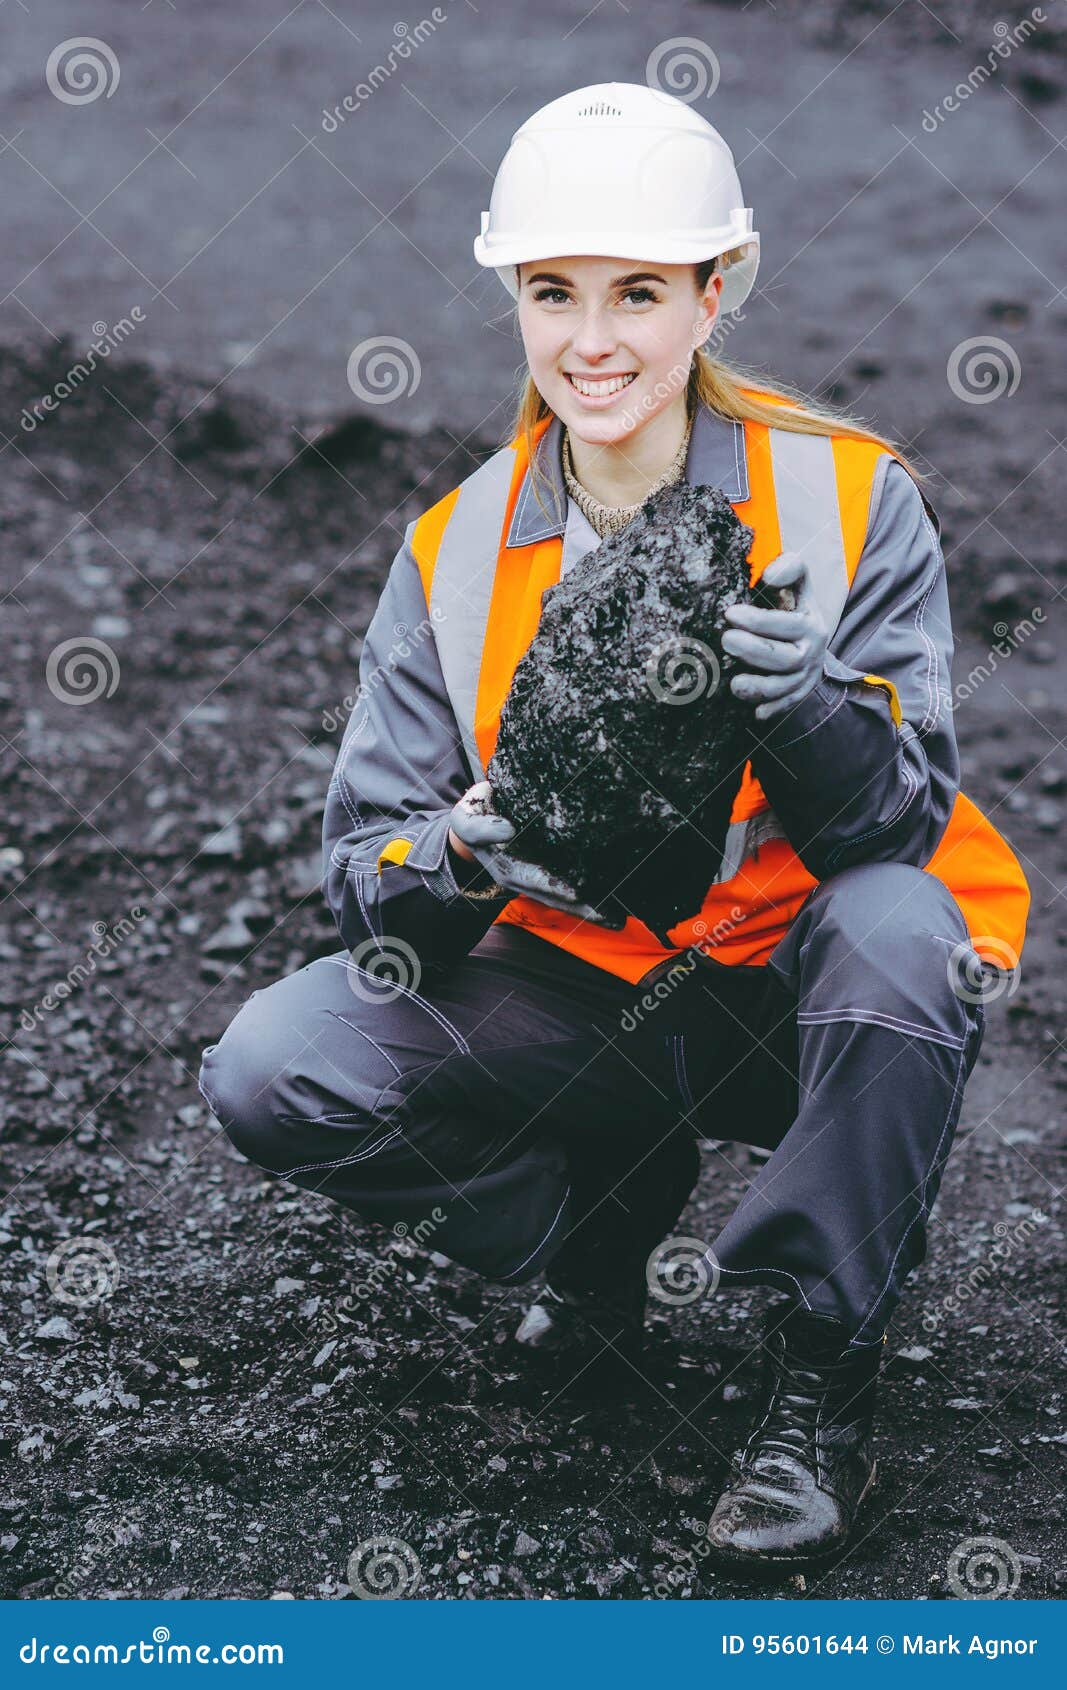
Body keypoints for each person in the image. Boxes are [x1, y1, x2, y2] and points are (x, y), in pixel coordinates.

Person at [198, 83, 1030, 1575]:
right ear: (516, 299)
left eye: (640, 292)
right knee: (275, 1061)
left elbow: (908, 820)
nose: (595, 339)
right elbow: (359, 875)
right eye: (555, 292)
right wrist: (450, 854)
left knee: (915, 932)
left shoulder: (848, 502)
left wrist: (816, 710)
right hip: (585, 1000)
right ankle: (596, 1207)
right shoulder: (454, 553)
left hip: (799, 1000)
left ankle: (818, 1376)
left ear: (715, 295)